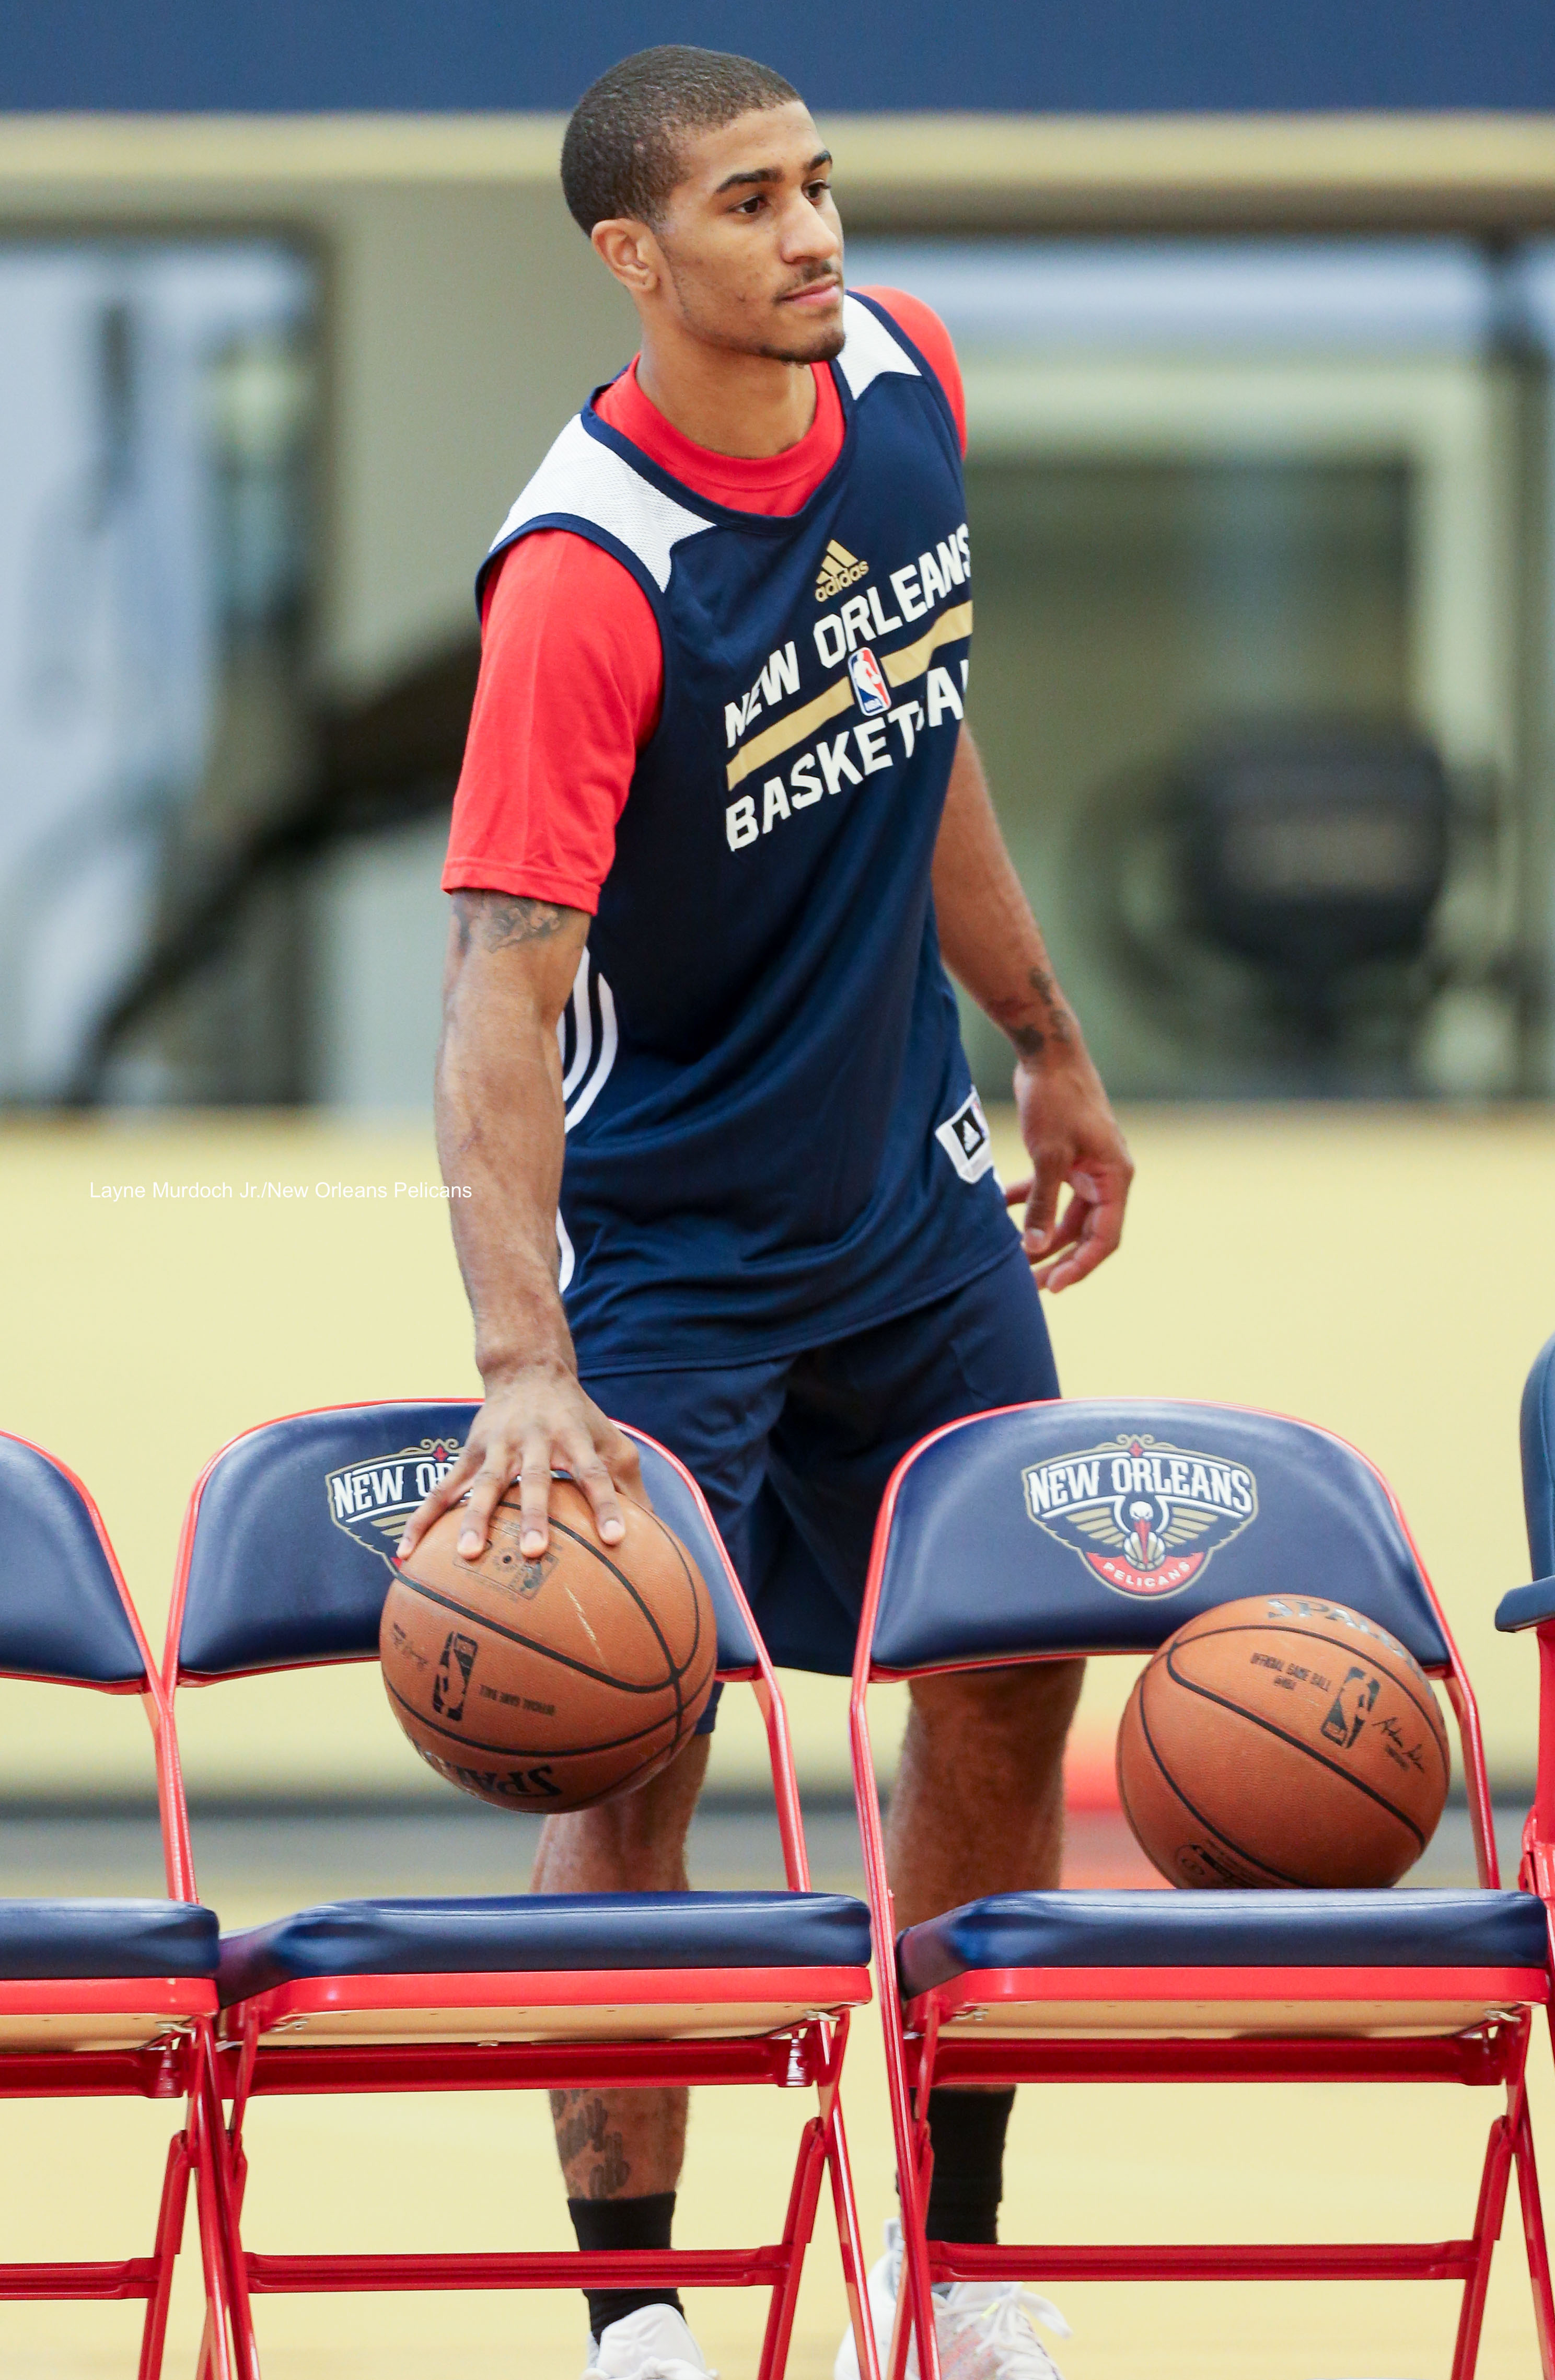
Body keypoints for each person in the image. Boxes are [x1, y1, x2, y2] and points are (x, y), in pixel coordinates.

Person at [400, 44, 1133, 2380]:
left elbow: (919, 727)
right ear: (636, 257)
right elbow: (499, 996)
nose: (810, 232)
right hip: (671, 1243)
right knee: (629, 1720)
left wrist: (1045, 1030)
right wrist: (525, 1358)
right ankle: (635, 2312)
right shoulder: (588, 580)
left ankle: (956, 2256)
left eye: (818, 186)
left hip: (912, 1205)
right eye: (750, 202)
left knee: (1014, 1662)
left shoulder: (906, 377)